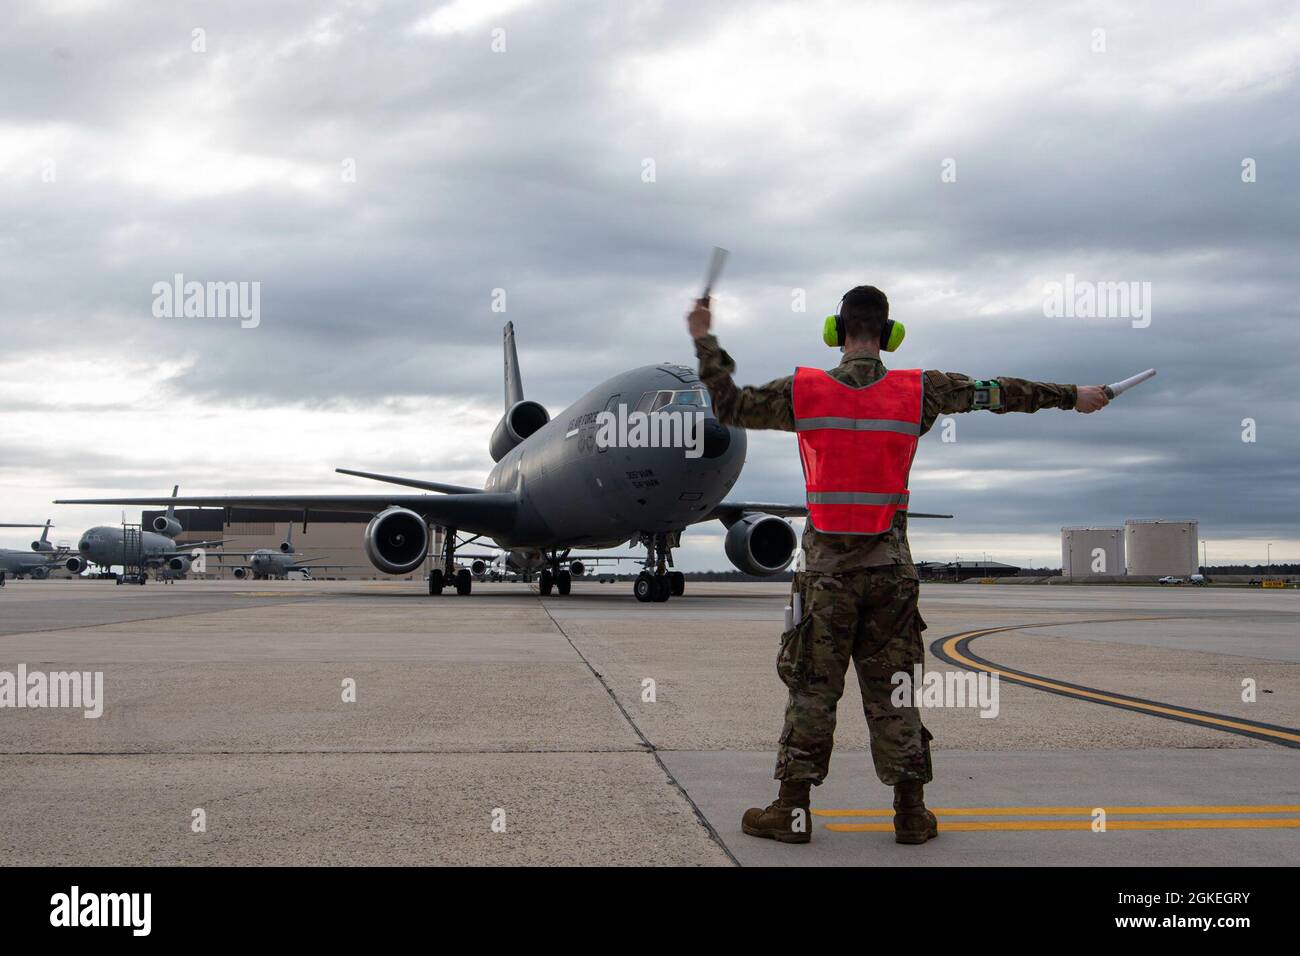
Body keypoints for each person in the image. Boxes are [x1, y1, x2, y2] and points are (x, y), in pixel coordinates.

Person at [688, 285, 1110, 845]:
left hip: (825, 578)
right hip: (891, 574)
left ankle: (792, 811)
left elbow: (729, 406)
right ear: (890, 335)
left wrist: (705, 341)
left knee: (813, 689)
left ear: (835, 332)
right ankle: (911, 814)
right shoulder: (922, 391)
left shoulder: (803, 392)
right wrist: (1072, 395)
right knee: (897, 692)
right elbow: (1000, 392)